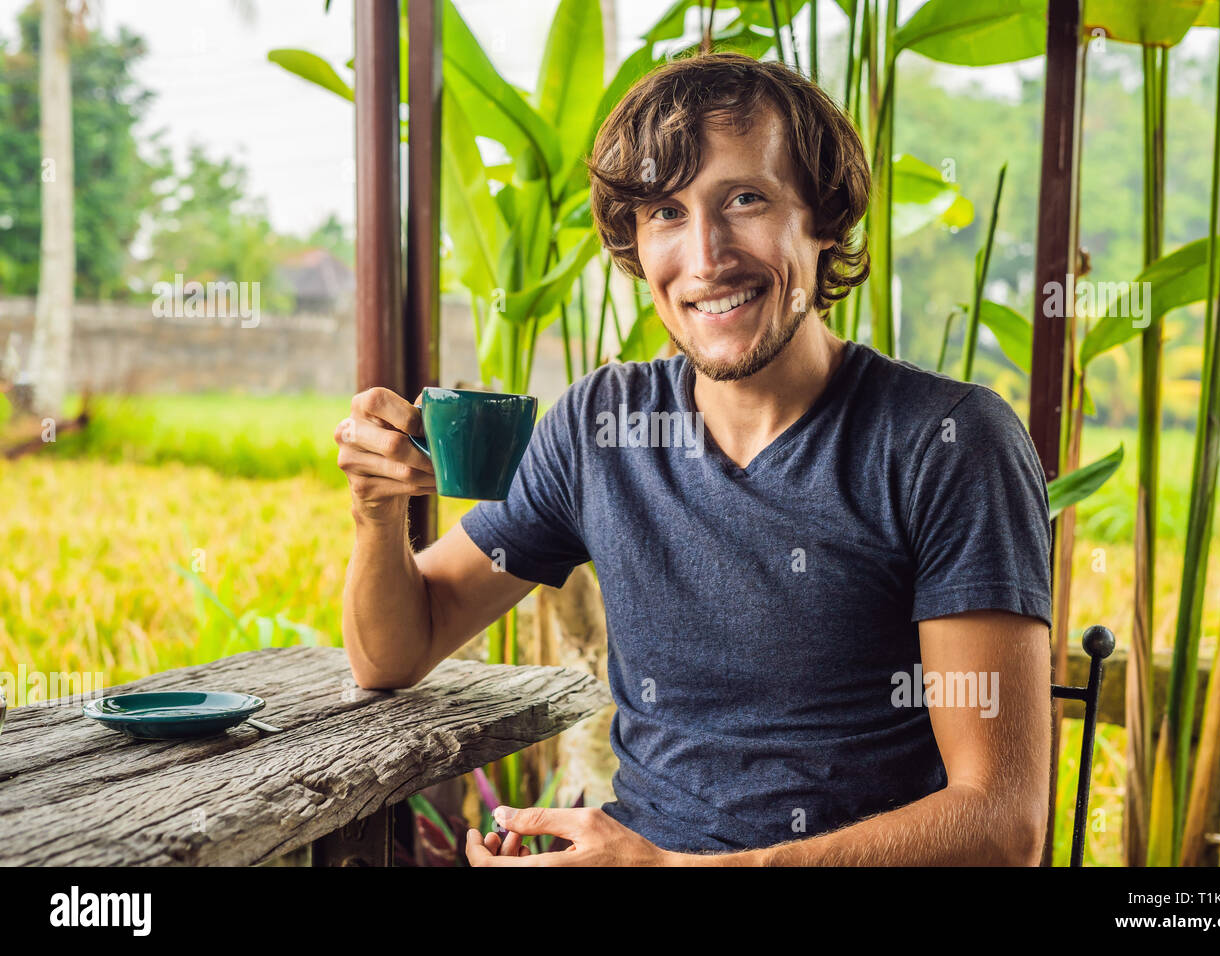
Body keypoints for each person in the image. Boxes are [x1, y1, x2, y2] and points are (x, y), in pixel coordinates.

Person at [334, 53, 1053, 866]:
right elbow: (393, 652)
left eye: (745, 199)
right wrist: (376, 510)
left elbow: (1001, 824)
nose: (706, 257)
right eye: (666, 213)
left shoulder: (948, 442)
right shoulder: (601, 425)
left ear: (822, 219)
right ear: (636, 245)